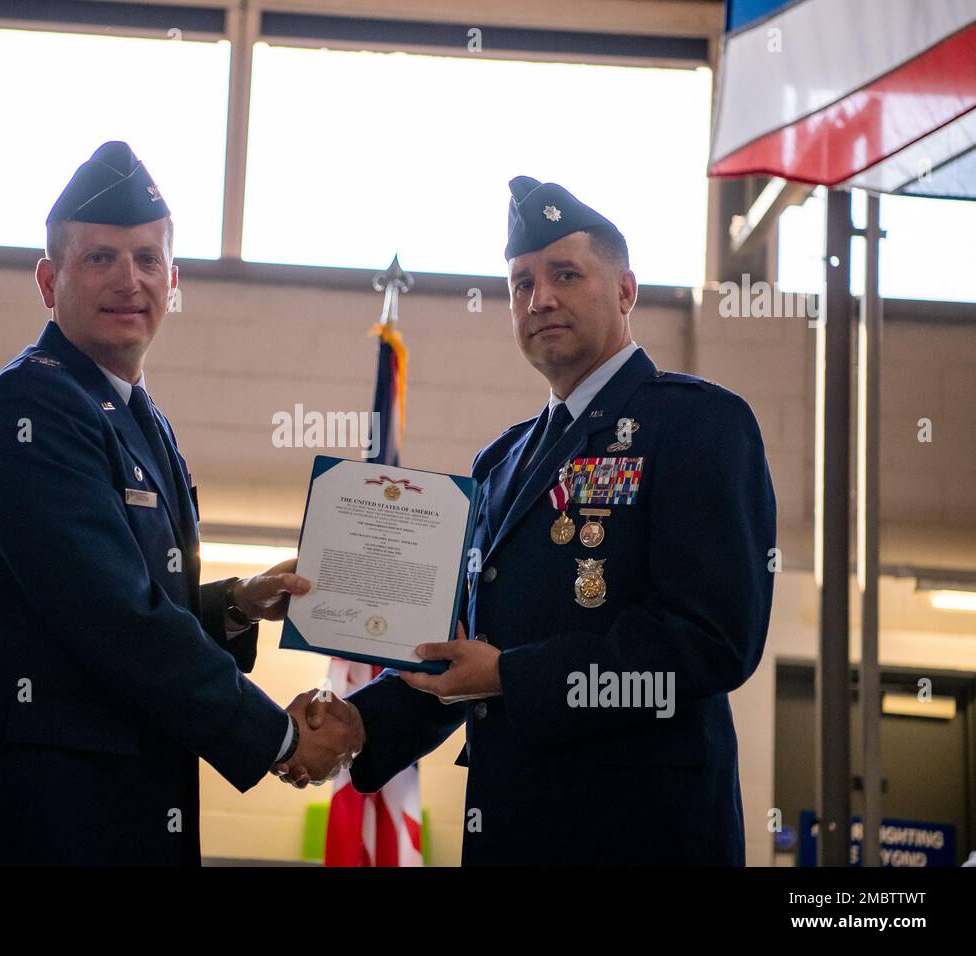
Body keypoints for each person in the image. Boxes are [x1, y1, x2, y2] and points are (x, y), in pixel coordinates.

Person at [277, 178, 777, 865]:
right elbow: (462, 650)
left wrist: (513, 676)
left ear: (626, 290)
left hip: (641, 837)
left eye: (565, 275)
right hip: (511, 829)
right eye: (520, 283)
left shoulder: (696, 424)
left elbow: (711, 638)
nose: (538, 299)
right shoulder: (500, 461)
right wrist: (360, 719)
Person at [0, 141, 362, 865]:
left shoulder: (136, 417)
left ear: (173, 280)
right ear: (47, 279)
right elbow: (110, 616)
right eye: (100, 258)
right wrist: (276, 736)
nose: (129, 280)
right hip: (39, 815)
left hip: (125, 805)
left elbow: (145, 601)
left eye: (148, 259)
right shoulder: (31, 405)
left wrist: (237, 604)